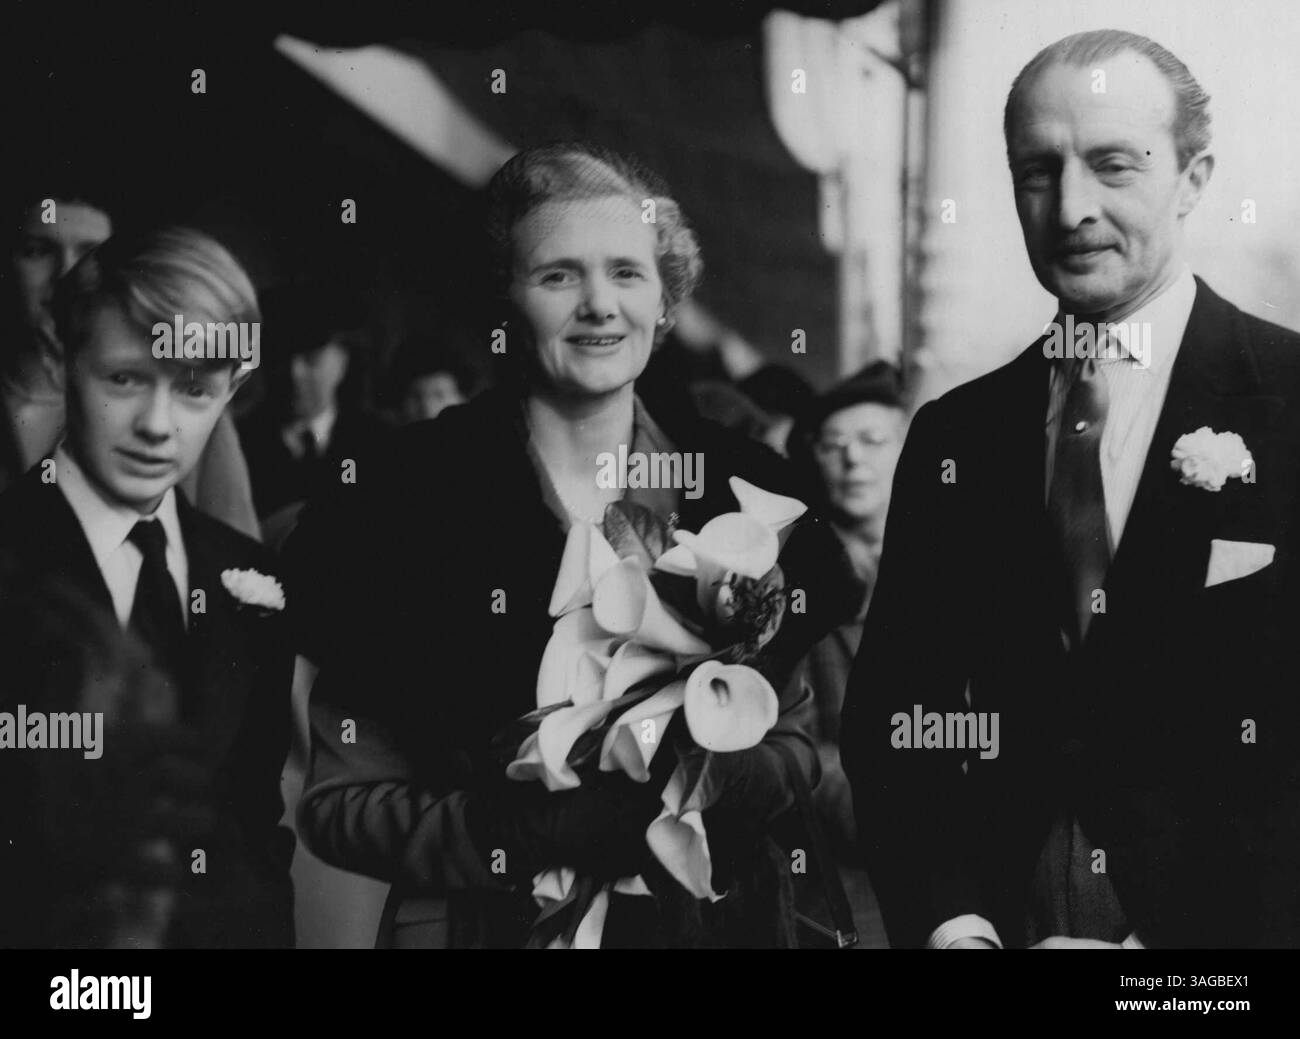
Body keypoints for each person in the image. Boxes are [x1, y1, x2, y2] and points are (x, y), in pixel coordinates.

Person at [288, 142, 858, 948]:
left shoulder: (739, 490)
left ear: (665, 298)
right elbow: (338, 806)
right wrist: (530, 826)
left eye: (626, 272)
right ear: (502, 301)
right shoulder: (399, 504)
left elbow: (796, 747)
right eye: (558, 275)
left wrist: (704, 777)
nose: (599, 304)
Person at [841, 29, 1300, 949]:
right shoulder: (958, 436)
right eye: (1037, 172)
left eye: (1114, 166)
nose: (1072, 207)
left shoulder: (1288, 400)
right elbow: (901, 710)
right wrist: (954, 922)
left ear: (1194, 178)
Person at [0, 227, 295, 947]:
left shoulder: (250, 577)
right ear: (65, 356)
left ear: (234, 387)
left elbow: (253, 828)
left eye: (195, 389)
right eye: (126, 378)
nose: (158, 426)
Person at [2, 188, 260, 538]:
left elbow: (235, 561)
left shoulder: (192, 405)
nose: (65, 273)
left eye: (89, 252)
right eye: (37, 251)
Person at [785, 361, 906, 946]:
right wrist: (894, 808)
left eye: (873, 441)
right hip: (845, 872)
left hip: (969, 855)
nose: (854, 460)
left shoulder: (956, 567)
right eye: (834, 446)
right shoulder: (793, 584)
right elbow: (794, 744)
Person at [237, 284, 390, 542]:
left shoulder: (378, 441)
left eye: (311, 360)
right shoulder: (240, 443)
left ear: (343, 362)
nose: (294, 374)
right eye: (282, 358)